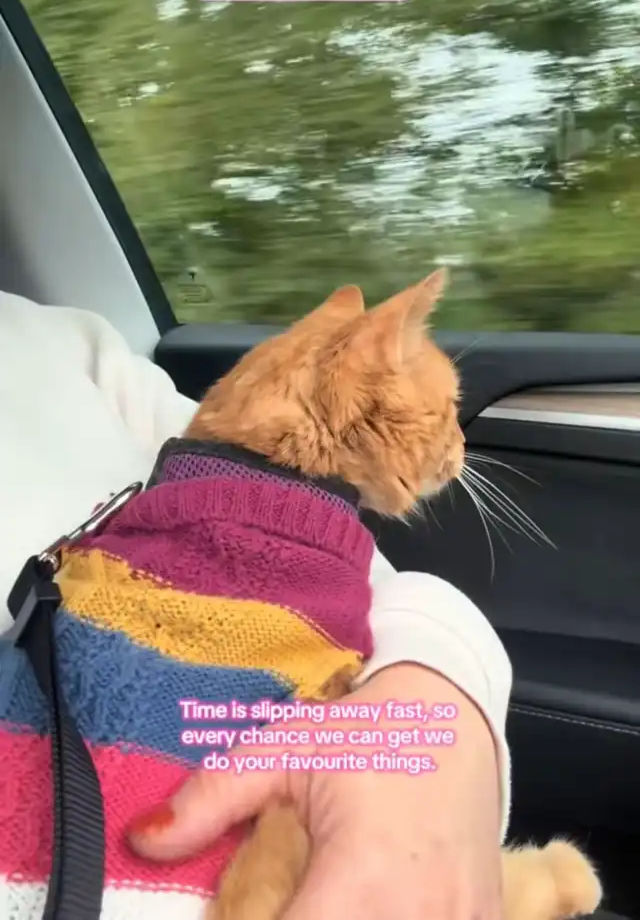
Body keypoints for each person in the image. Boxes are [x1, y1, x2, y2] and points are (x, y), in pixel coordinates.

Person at [0, 289, 512, 918]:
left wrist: (438, 695)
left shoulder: (63, 347)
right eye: (448, 412)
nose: (460, 435)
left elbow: (383, 588)